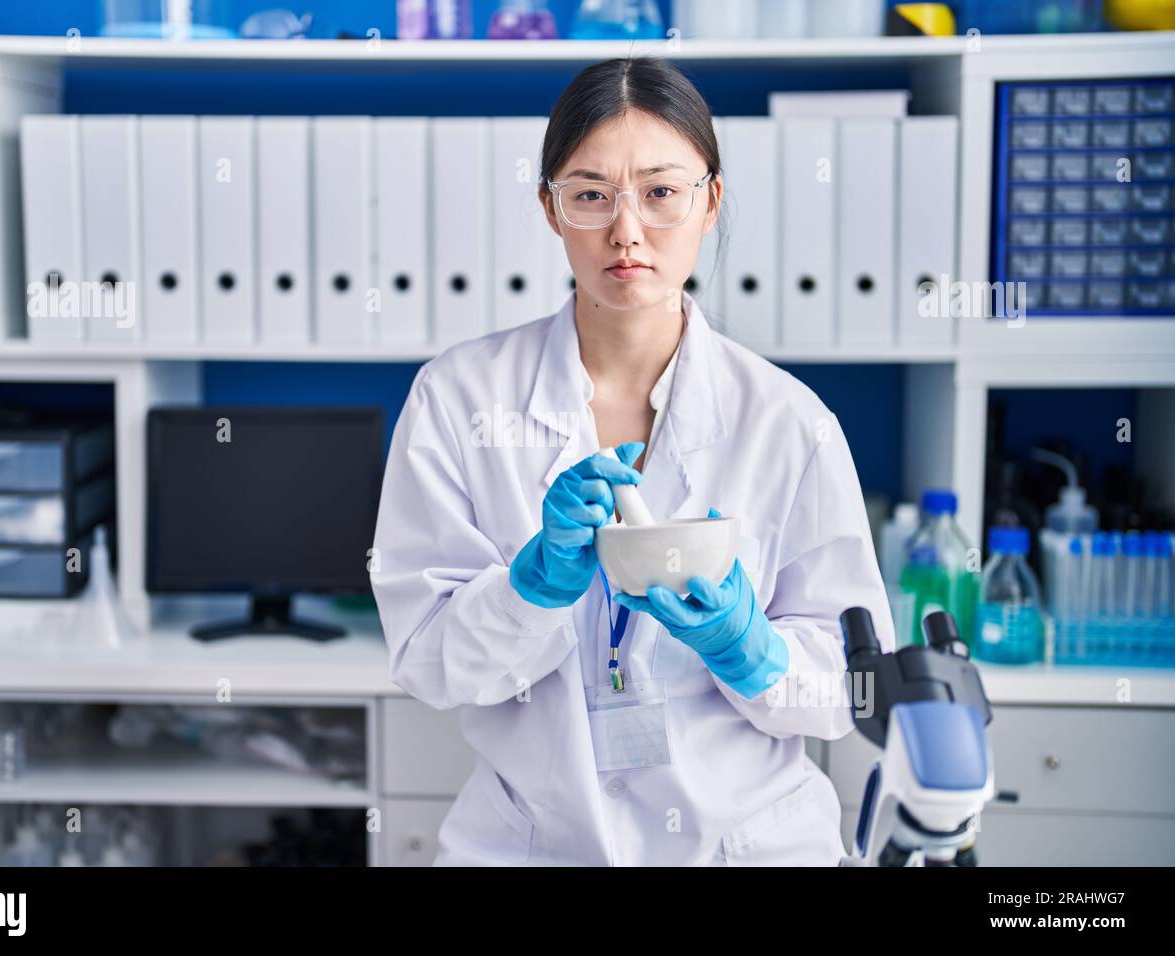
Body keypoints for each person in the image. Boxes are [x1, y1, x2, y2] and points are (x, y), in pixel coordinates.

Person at [371, 56, 895, 866]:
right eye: (590, 194)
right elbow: (426, 664)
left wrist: (748, 648)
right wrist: (529, 590)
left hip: (745, 848)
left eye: (660, 192)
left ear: (710, 201)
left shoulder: (791, 425)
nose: (626, 230)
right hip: (531, 847)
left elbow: (848, 694)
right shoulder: (457, 401)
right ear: (550, 208)